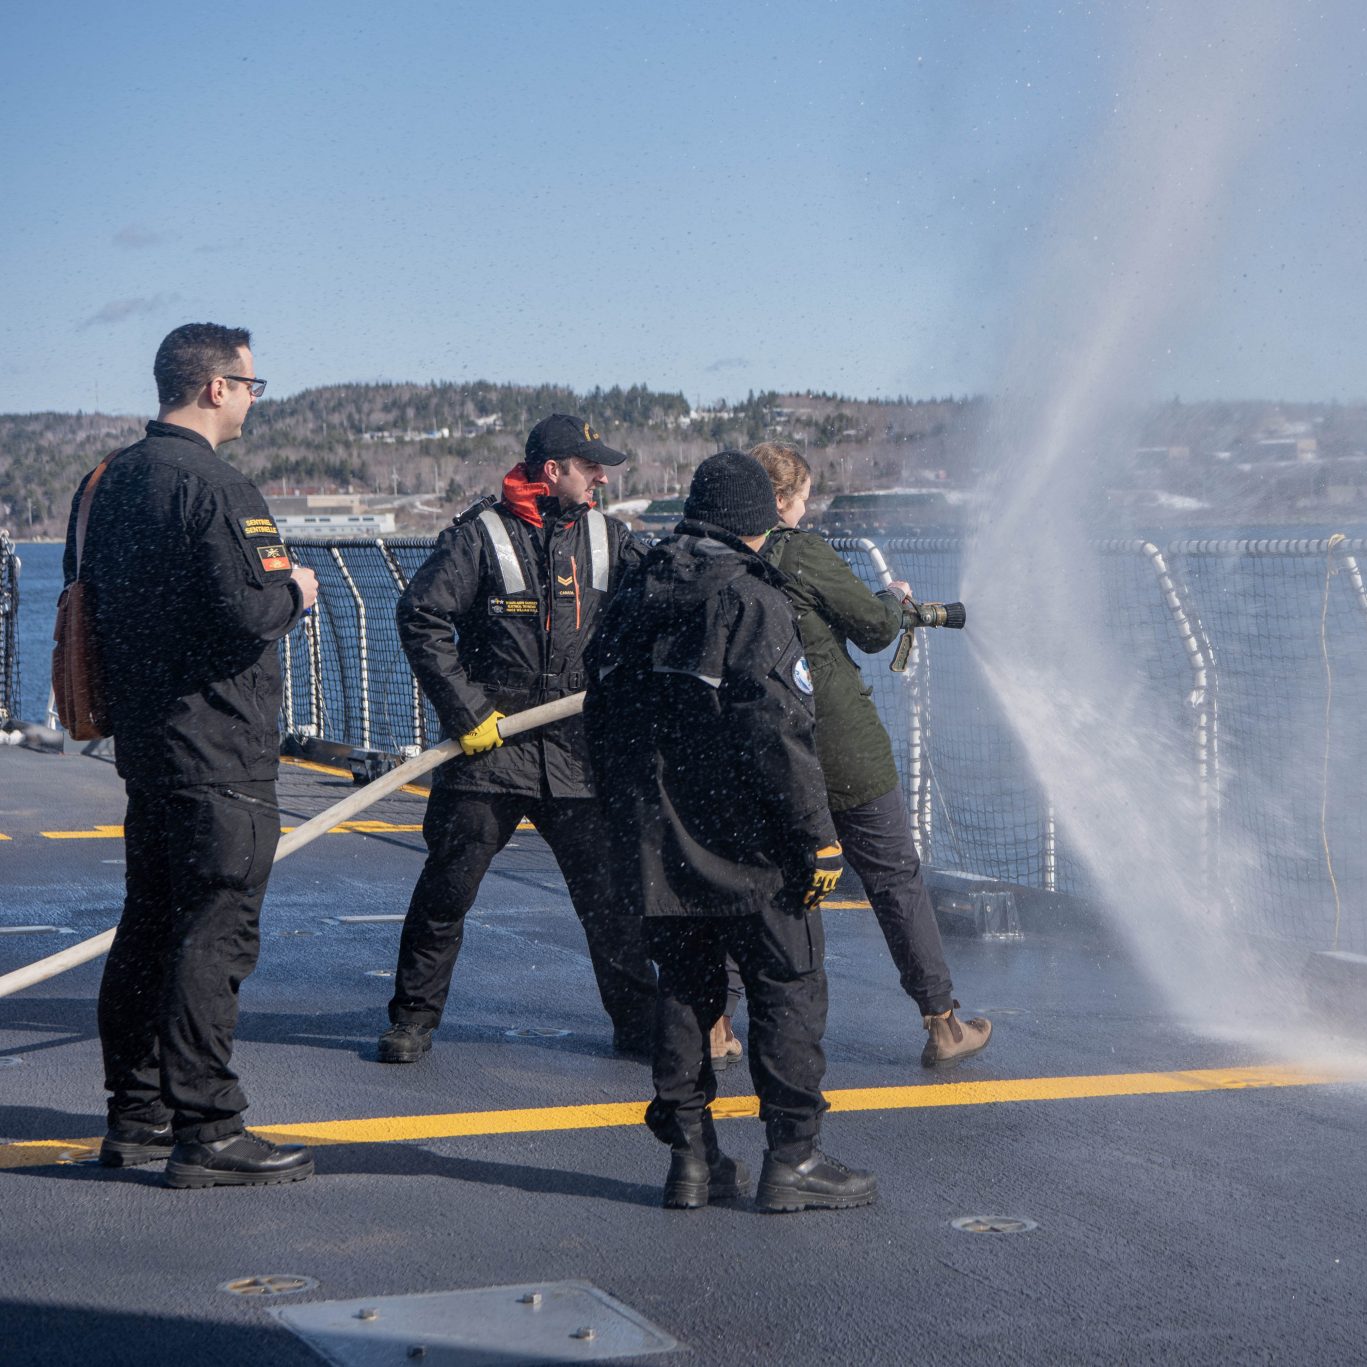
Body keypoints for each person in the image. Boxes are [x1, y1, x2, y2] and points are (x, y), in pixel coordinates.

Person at [586, 450, 876, 1214]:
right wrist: (817, 837)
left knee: (683, 989)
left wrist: (630, 822)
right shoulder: (755, 600)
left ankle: (691, 1158)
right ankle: (794, 1157)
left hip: (660, 838)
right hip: (750, 845)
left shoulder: (639, 585)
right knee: (789, 984)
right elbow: (778, 730)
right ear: (756, 520)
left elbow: (602, 707)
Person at [71, 322, 319, 1187]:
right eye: (251, 383)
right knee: (213, 936)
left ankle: (133, 1113)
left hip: (147, 745)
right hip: (221, 748)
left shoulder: (107, 481)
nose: (253, 396)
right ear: (214, 387)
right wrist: (297, 591)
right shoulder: (219, 486)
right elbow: (246, 613)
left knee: (146, 927)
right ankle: (207, 1126)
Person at [376, 415, 655, 1064]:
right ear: (553, 470)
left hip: (576, 754)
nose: (603, 477)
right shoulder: (480, 538)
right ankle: (412, 1020)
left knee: (609, 900)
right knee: (447, 889)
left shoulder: (612, 539)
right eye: (591, 467)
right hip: (489, 752)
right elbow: (421, 615)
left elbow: (667, 599)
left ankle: (640, 1026)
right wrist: (465, 709)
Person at [750, 441, 993, 1068]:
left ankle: (721, 1026)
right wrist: (893, 599)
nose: (808, 509)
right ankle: (941, 1021)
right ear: (782, 501)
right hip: (840, 746)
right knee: (894, 879)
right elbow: (876, 628)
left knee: (757, 879)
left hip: (765, 750)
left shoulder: (730, 561)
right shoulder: (800, 551)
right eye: (805, 498)